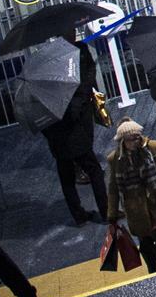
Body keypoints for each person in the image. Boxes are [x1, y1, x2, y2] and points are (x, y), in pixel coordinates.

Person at [106, 120, 156, 274]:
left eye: (137, 137)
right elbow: (113, 188)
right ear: (123, 140)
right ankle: (152, 268)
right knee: (145, 241)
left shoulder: (154, 147)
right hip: (136, 208)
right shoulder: (115, 159)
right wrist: (112, 214)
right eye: (131, 139)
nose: (136, 141)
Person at [40, 51, 107, 226]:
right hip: (77, 141)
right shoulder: (64, 90)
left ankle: (78, 215)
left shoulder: (40, 97)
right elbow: (76, 112)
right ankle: (106, 211)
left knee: (67, 180)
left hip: (57, 145)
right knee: (95, 172)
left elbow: (42, 125)